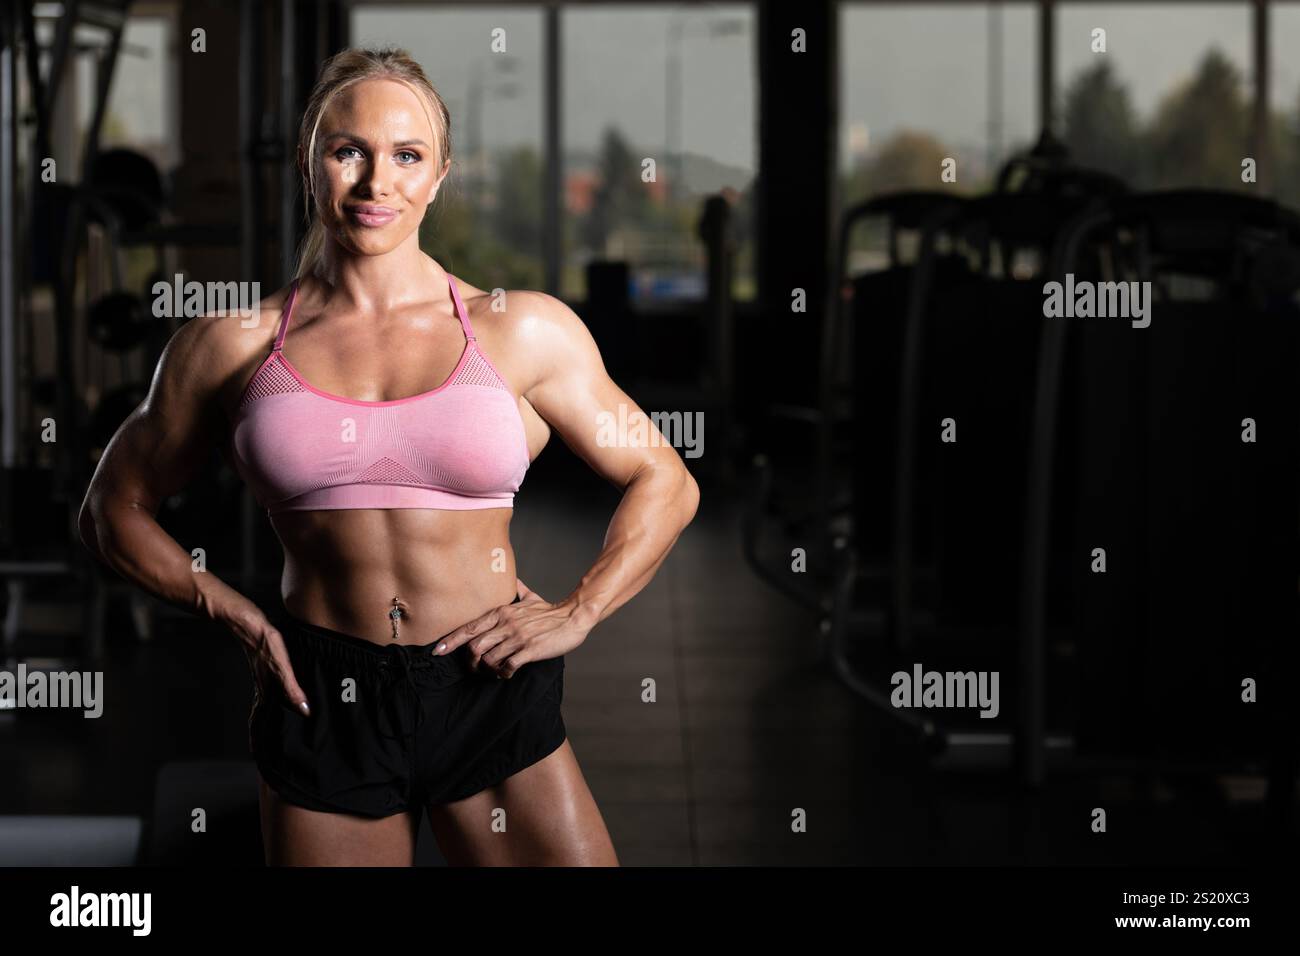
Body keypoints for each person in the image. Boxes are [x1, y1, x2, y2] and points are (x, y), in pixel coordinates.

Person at [77, 47, 700, 866]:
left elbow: (664, 476)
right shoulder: (230, 345)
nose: (378, 184)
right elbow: (110, 510)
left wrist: (580, 610)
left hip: (486, 681)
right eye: (349, 152)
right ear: (312, 165)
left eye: (407, 156)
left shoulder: (522, 330)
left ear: (440, 175)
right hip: (323, 697)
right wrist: (234, 614)